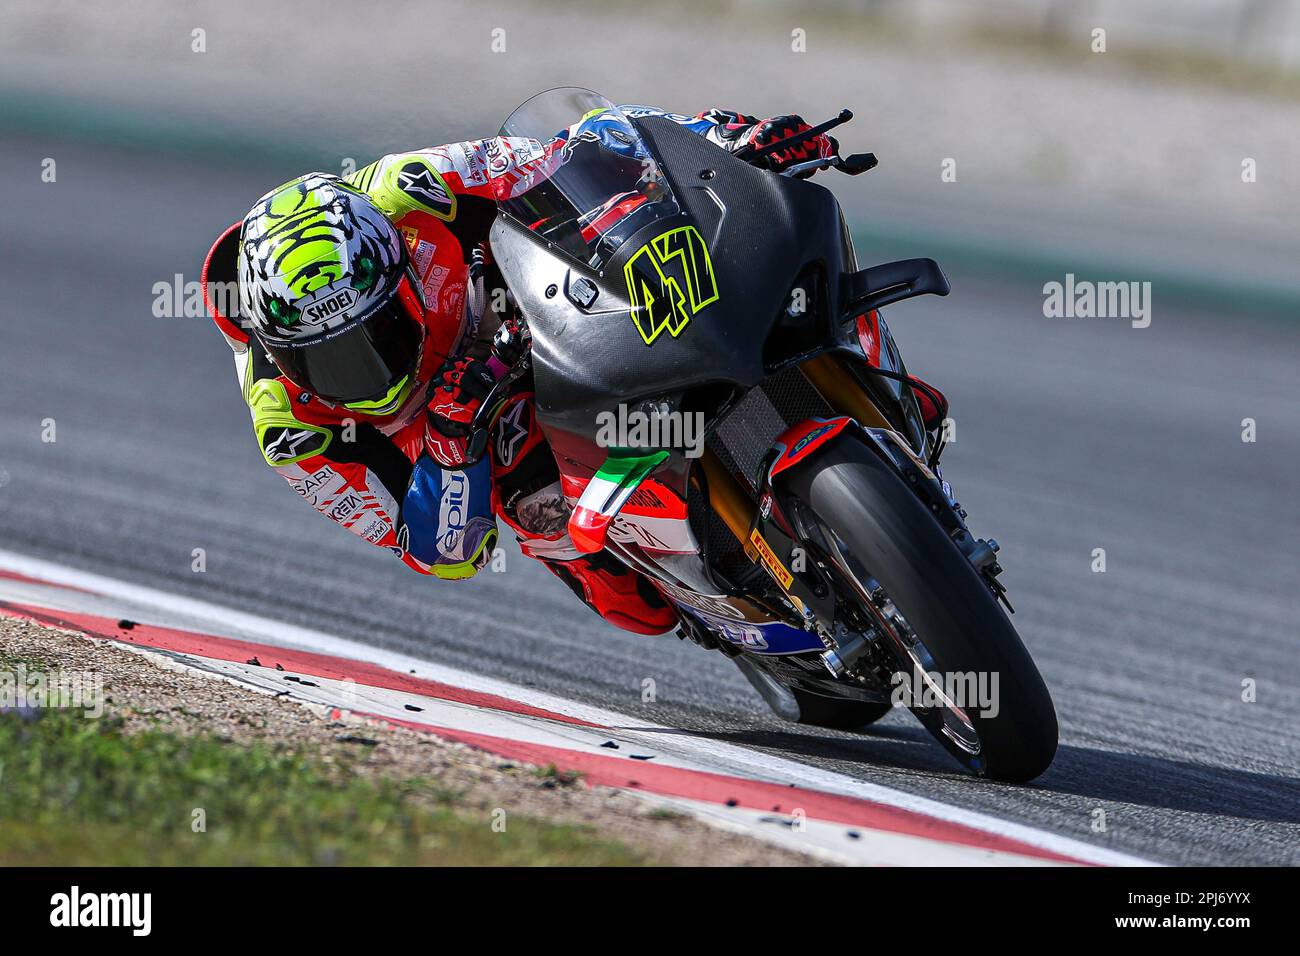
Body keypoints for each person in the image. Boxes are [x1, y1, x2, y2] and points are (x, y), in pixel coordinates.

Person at [199, 106, 910, 636]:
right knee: (627, 600)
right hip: (475, 442)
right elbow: (445, 554)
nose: (362, 370)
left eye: (376, 334)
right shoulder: (291, 428)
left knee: (740, 268)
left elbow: (580, 149)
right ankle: (724, 600)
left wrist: (725, 137)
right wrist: (449, 440)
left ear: (399, 273)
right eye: (325, 359)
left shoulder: (410, 188)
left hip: (545, 318)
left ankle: (852, 378)